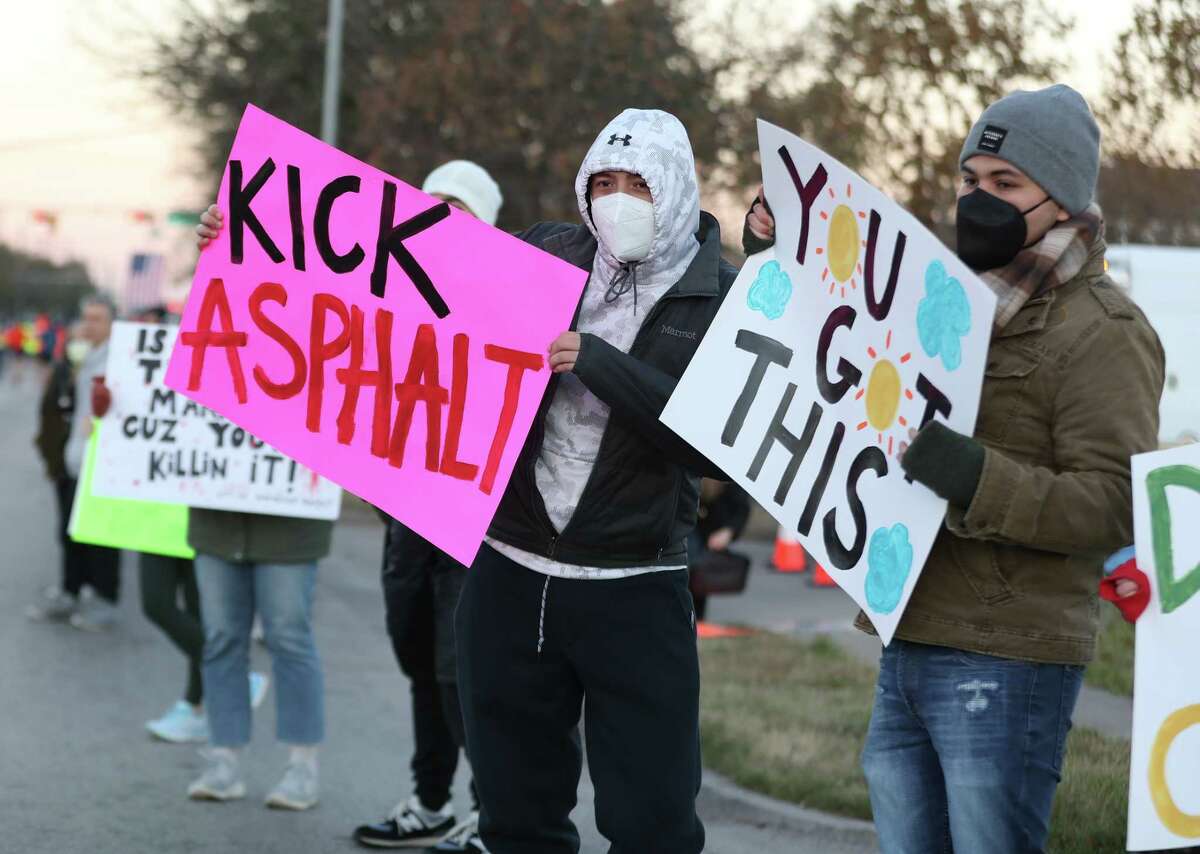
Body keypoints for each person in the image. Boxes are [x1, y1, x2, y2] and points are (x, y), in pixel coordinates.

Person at [744, 84, 1164, 852]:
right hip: (909, 634)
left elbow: (1114, 504)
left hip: (1007, 657)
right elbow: (841, 343)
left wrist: (972, 475)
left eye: (1005, 185)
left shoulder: (1107, 331)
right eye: (970, 181)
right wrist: (783, 251)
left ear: (1063, 200)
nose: (979, 200)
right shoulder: (944, 303)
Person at [455, 108, 735, 854]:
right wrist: (248, 242)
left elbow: (709, 445)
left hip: (634, 586)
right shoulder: (546, 251)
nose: (616, 200)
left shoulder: (724, 299)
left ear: (674, 188)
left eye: (636, 184)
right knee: (514, 814)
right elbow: (412, 278)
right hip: (510, 575)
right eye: (601, 182)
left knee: (654, 822)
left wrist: (598, 361)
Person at [350, 161, 501, 852]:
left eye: (460, 209)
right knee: (417, 661)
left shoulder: (508, 304)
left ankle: (489, 810)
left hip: (471, 529)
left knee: (459, 673)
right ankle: (431, 798)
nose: (443, 219)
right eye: (432, 205)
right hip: (404, 523)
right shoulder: (385, 293)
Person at [27, 295, 124, 630]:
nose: (90, 325)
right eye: (87, 318)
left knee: (101, 535)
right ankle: (72, 590)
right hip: (73, 456)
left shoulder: (120, 358)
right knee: (71, 530)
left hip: (103, 460)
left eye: (98, 318)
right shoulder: (80, 354)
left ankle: (104, 598)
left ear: (113, 322)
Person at [687, 480, 751, 621]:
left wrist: (729, 530)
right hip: (689, 528)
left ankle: (697, 620)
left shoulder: (730, 479)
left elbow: (741, 507)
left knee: (699, 579)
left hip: (711, 529)